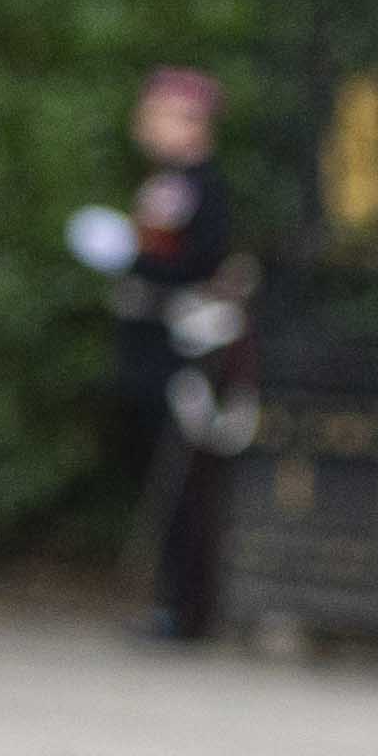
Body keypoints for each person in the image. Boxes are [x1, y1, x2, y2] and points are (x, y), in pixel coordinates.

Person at [74, 60, 247, 643]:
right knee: (158, 475)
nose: (148, 124)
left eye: (164, 114)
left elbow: (198, 262)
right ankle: (172, 600)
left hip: (181, 349)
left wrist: (131, 256)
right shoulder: (166, 181)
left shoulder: (203, 185)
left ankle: (188, 609)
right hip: (148, 340)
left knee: (181, 482)